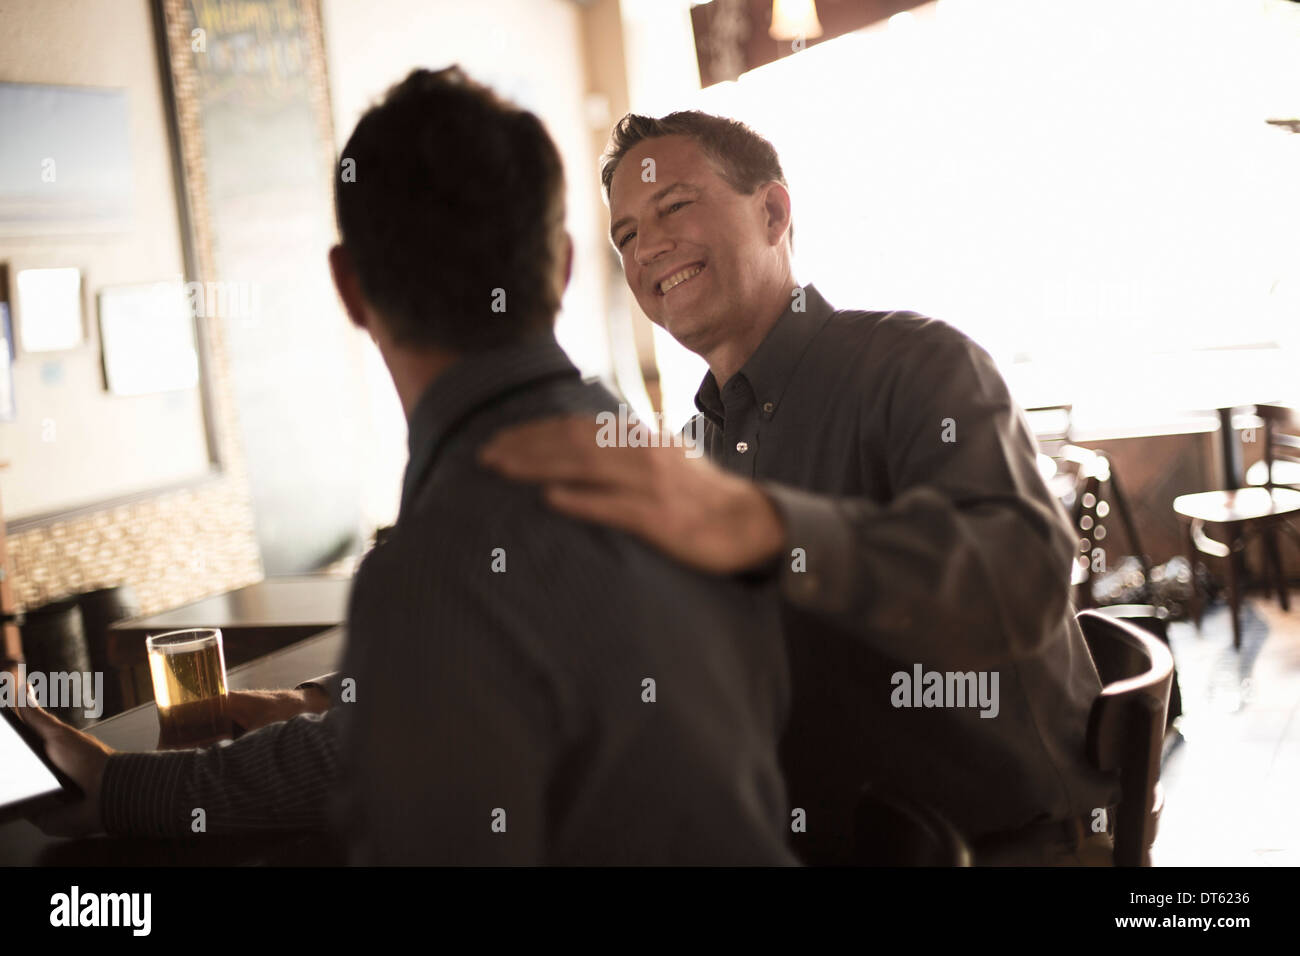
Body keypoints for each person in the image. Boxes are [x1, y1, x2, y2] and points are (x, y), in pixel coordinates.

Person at [18, 71, 795, 865]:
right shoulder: (666, 463)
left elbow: (360, 767)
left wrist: (117, 787)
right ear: (561, 267)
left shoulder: (450, 549)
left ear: (350, 288)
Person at [478, 110, 1121, 865]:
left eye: (674, 206)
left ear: (774, 211)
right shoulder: (705, 443)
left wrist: (768, 528)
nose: (647, 246)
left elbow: (1022, 578)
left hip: (1004, 844)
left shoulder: (917, 364)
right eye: (623, 236)